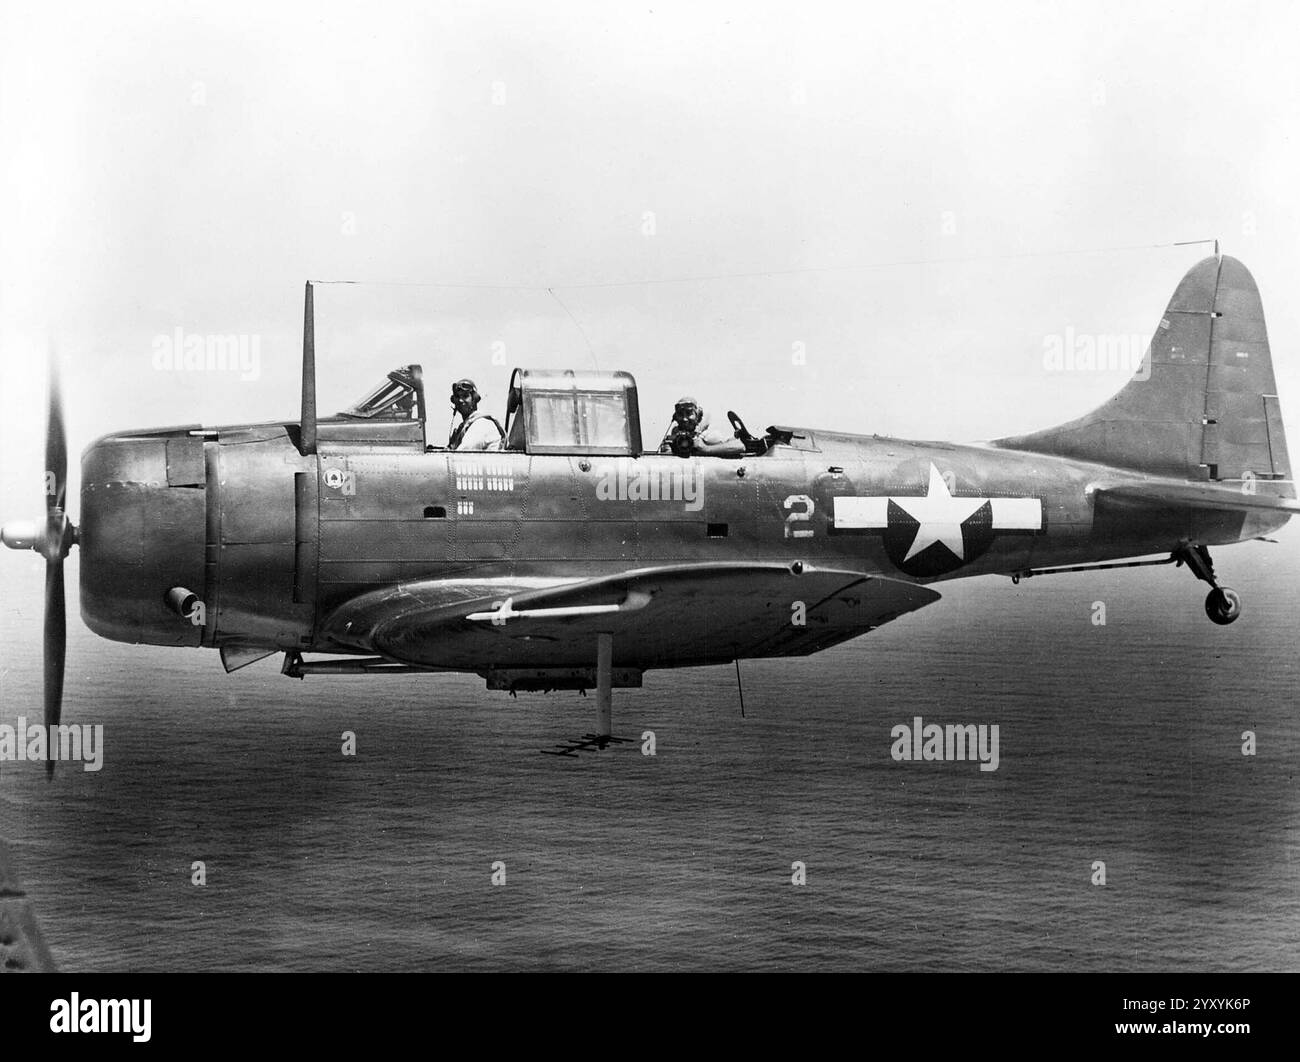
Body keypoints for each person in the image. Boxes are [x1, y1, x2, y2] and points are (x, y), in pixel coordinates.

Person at [658, 396, 744, 457]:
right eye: (680, 414)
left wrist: (705, 448)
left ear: (698, 415)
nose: (684, 419)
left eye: (689, 413)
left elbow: (740, 446)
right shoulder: (676, 435)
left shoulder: (707, 436)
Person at [448, 379, 505, 451]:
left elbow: (461, 454)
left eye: (465, 396)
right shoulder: (466, 426)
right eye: (458, 397)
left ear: (474, 399)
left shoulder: (481, 424)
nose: (460, 400)